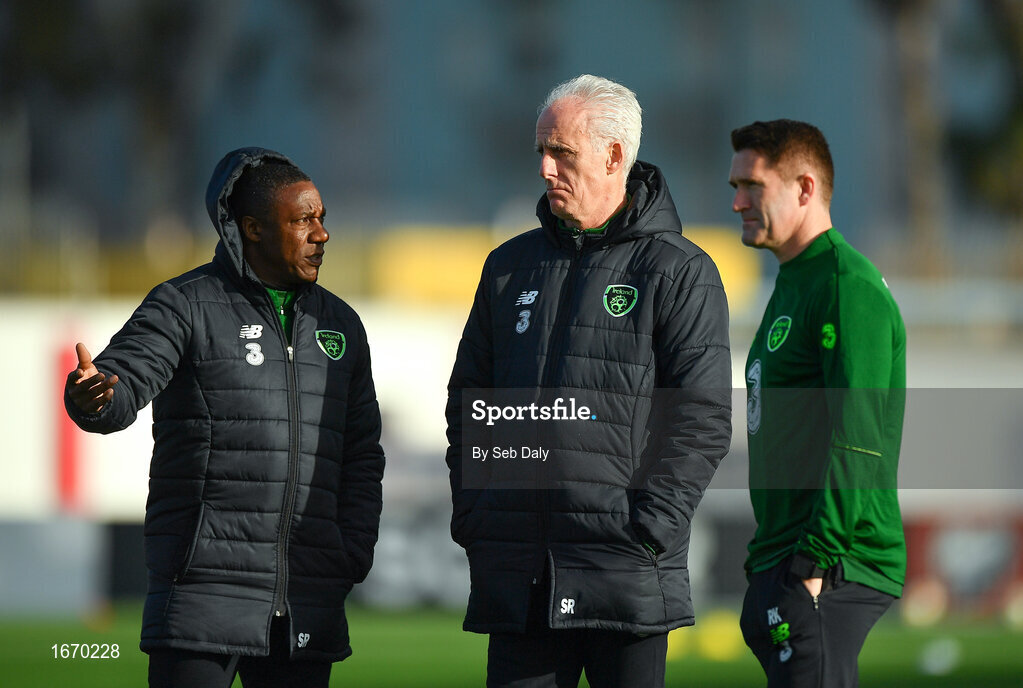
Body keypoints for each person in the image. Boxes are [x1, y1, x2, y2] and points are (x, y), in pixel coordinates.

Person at [445, 74, 732, 688]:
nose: (545, 168)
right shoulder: (508, 266)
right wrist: (476, 511)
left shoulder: (679, 271)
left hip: (624, 572)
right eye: (541, 152)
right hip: (520, 575)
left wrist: (647, 530)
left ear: (614, 155)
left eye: (562, 152)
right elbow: (469, 401)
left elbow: (702, 419)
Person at [64, 147, 385, 688]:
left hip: (308, 600)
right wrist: (94, 398)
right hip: (201, 594)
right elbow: (123, 380)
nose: (322, 234)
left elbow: (362, 454)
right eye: (303, 220)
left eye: (322, 218)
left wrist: (349, 552)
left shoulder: (342, 324)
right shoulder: (184, 303)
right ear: (252, 229)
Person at [728, 120, 906, 688]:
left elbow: (858, 440)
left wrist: (812, 563)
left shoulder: (844, 284)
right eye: (735, 187)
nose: (737, 203)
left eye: (752, 186)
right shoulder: (794, 279)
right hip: (786, 560)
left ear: (804, 188)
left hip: (828, 566)